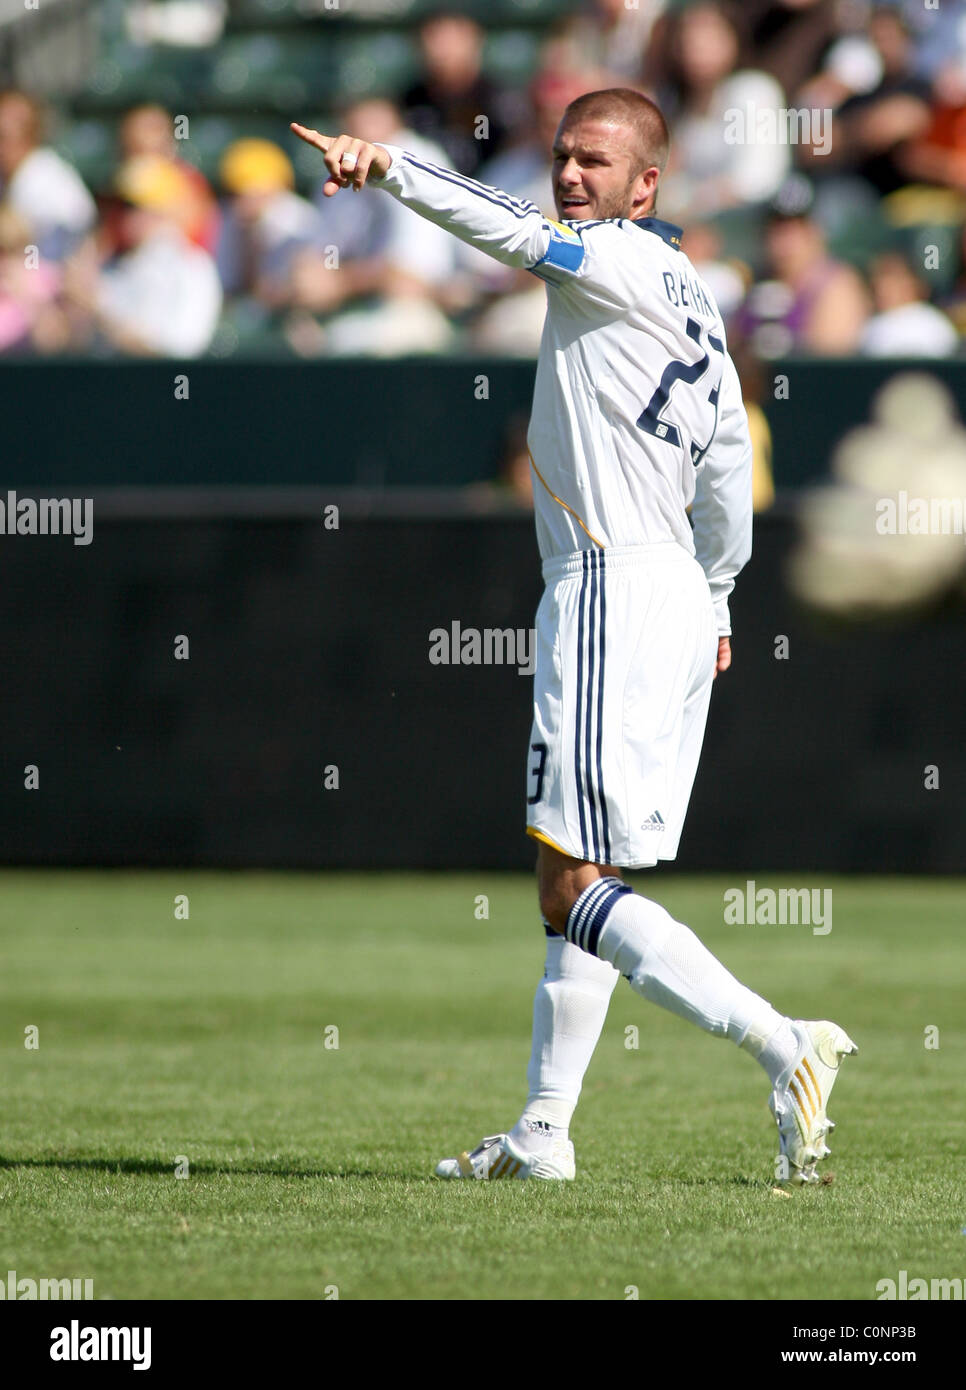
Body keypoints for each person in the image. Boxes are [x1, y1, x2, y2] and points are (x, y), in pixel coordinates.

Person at [291, 87, 857, 1186]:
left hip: (610, 583)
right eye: (564, 155)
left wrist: (389, 164)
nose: (570, 174)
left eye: (596, 160)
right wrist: (725, 596)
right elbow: (730, 463)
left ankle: (784, 1044)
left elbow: (503, 228)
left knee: (566, 887)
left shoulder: (611, 257)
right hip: (675, 591)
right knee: (582, 871)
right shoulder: (695, 292)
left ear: (647, 184)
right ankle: (545, 1130)